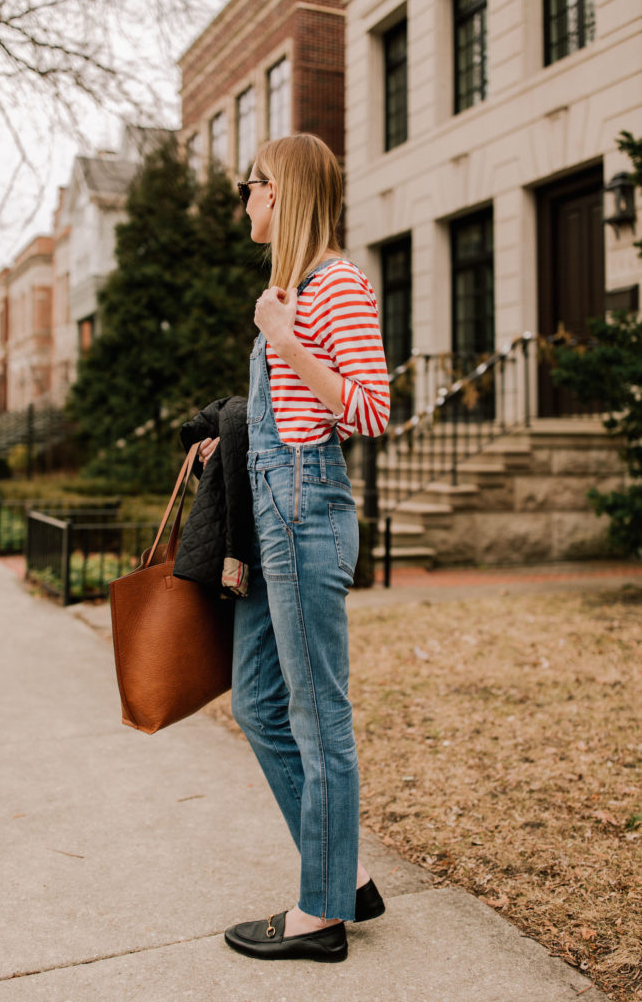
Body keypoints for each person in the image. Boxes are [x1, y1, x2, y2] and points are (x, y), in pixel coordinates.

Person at [201, 133, 390, 963]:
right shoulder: (286, 287)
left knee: (319, 720)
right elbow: (280, 414)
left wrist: (284, 338)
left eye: (252, 186)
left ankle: (320, 915)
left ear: (282, 192)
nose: (244, 200)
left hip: (306, 510)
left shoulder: (334, 282)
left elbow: (368, 410)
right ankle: (338, 875)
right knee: (258, 704)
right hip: (269, 508)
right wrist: (225, 445)